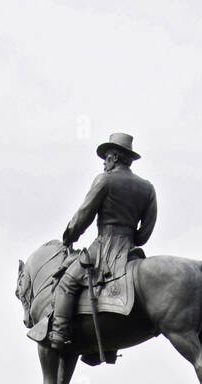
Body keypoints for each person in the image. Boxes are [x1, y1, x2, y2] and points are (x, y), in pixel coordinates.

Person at [49, 132, 157, 350]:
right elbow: (146, 231)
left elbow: (84, 215)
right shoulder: (147, 187)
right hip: (129, 249)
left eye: (106, 158)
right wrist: (132, 238)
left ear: (115, 157)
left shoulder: (105, 180)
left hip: (104, 247)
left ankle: (59, 334)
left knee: (66, 283)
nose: (104, 164)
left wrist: (69, 236)